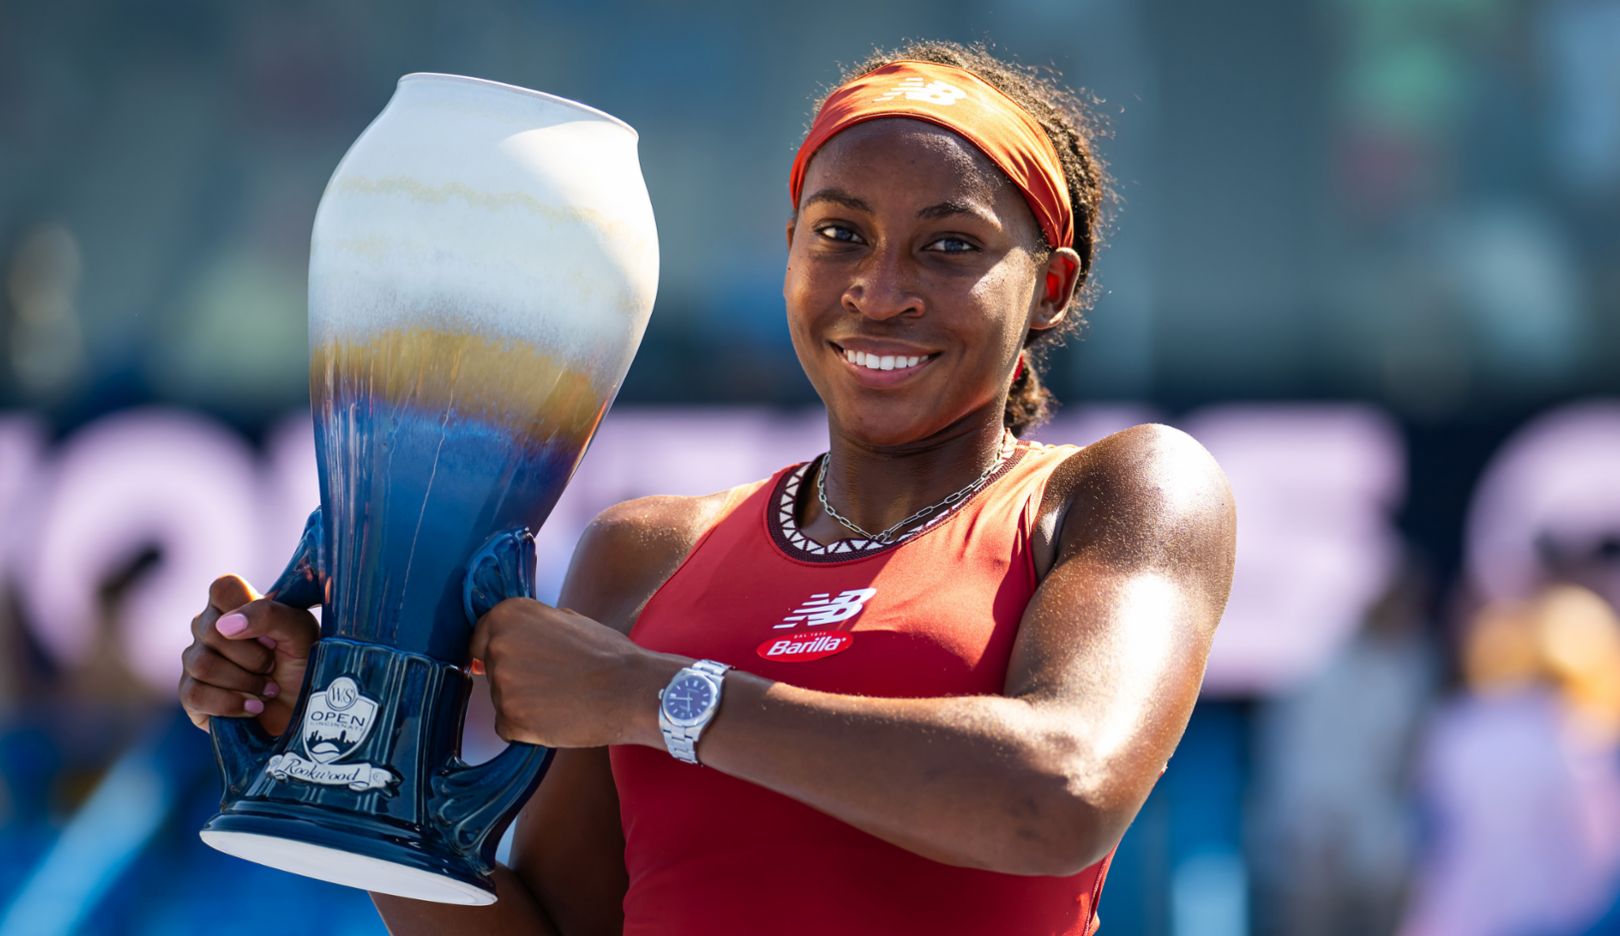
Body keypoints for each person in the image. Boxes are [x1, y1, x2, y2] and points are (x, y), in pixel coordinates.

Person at [178, 40, 1236, 935]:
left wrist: (652, 697)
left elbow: (1061, 797)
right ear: (791, 254)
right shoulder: (648, 553)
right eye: (840, 234)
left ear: (1050, 287)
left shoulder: (1122, 491)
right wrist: (351, 757)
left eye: (950, 246)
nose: (881, 290)